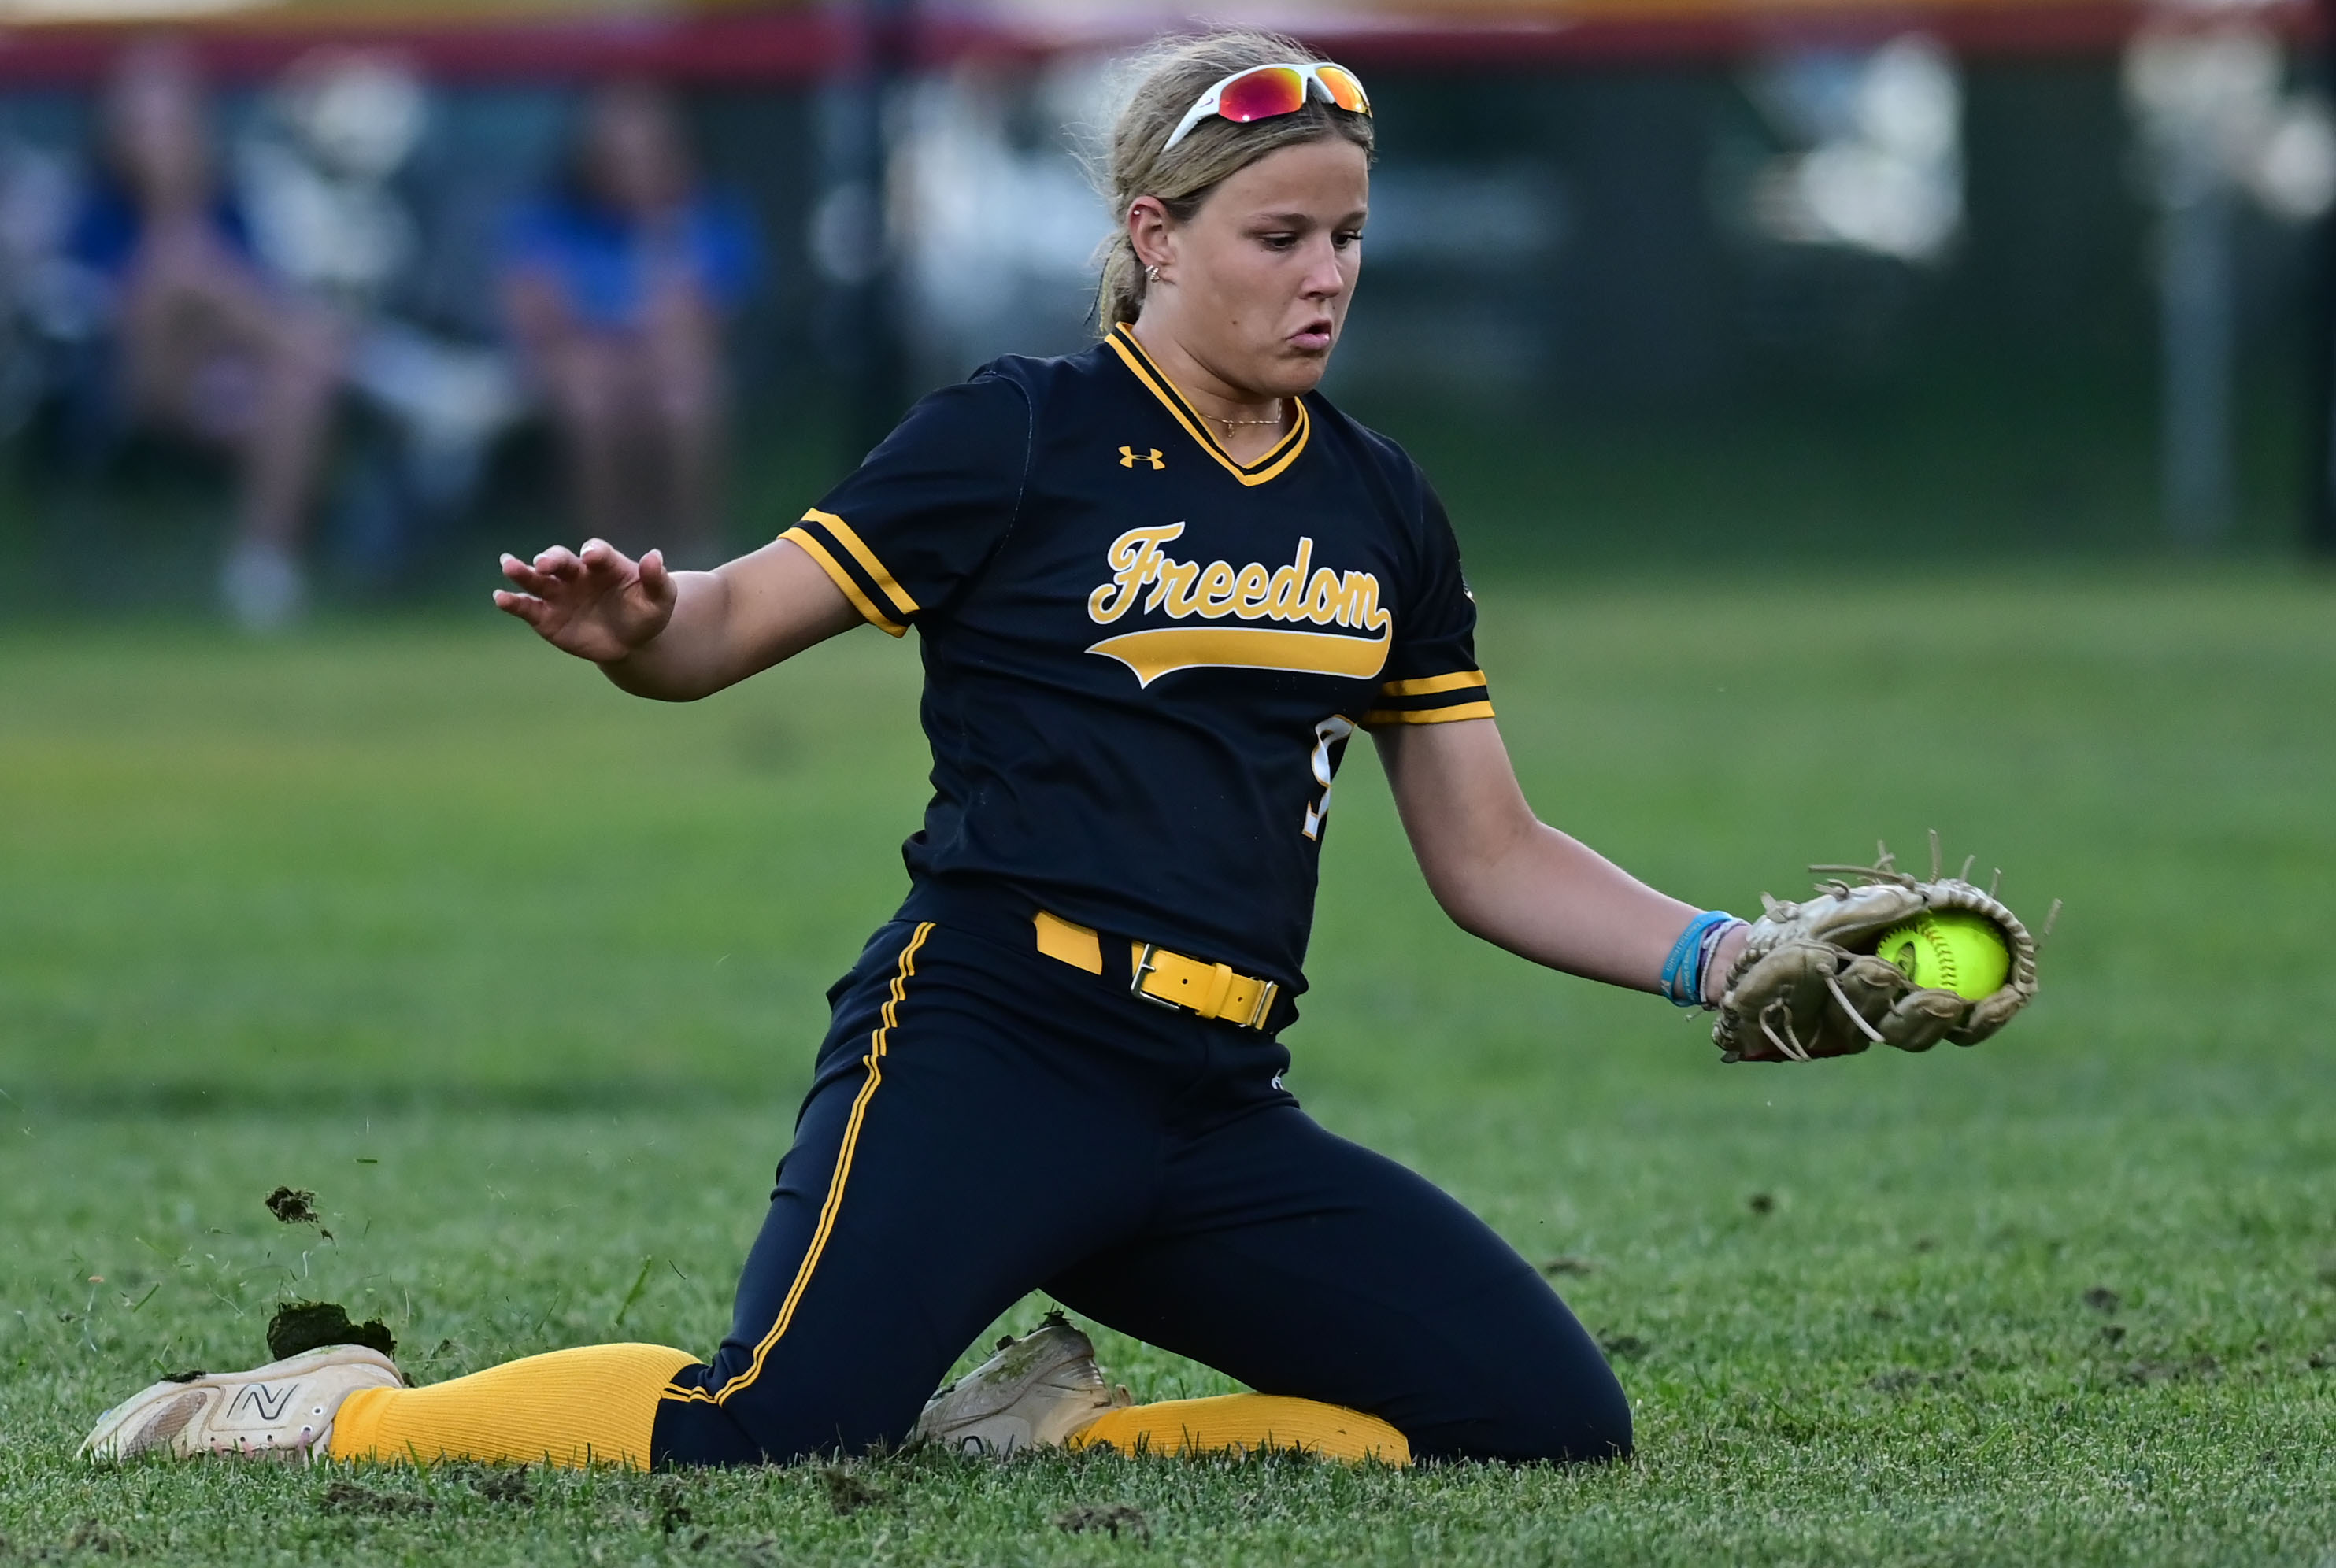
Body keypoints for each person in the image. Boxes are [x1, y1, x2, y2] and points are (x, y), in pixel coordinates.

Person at [82, 30, 1759, 1472]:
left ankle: (1044, 1431)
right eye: (1277, 236)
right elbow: (726, 623)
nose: (1324, 275)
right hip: (989, 1048)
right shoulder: (1017, 433)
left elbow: (1488, 852)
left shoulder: (1378, 501)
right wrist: (642, 628)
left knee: (1543, 1422)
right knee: (771, 1423)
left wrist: (1723, 956)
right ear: (1154, 238)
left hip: (1211, 1099)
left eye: (1346, 237)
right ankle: (329, 1412)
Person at [64, 38, 344, 630]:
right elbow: (99, 311)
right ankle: (369, 368)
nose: (161, 134)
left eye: (175, 114)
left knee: (298, 382)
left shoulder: (233, 202)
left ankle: (261, 574)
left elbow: (256, 291)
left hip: (232, 380)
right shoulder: (91, 207)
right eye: (144, 117)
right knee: (183, 262)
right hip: (131, 385)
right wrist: (169, 204)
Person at [498, 80, 759, 564]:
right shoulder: (548, 220)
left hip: (665, 366)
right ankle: (605, 554)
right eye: (617, 150)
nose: (632, 164)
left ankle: (693, 551)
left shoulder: (708, 218)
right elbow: (539, 325)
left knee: (684, 394)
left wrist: (658, 228)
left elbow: (699, 328)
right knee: (590, 395)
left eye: (647, 149)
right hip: (582, 366)